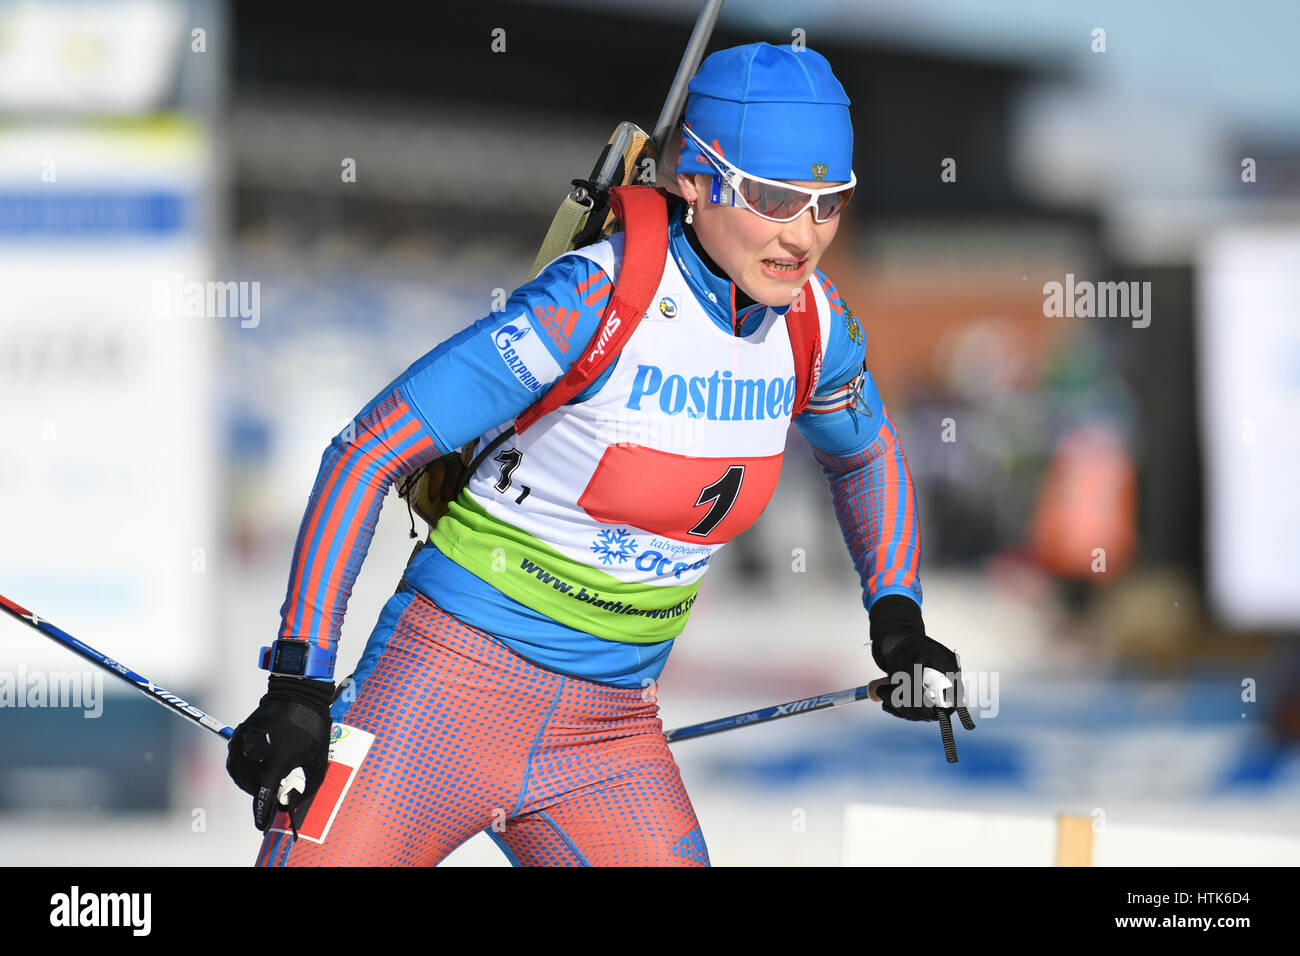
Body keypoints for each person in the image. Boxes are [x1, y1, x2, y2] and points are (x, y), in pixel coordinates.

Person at [227, 42, 962, 867]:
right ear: (698, 179)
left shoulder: (813, 329)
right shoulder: (596, 299)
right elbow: (365, 453)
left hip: (607, 734)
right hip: (441, 692)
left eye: (828, 205)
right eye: (773, 199)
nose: (802, 237)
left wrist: (898, 623)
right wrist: (299, 684)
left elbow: (865, 457)